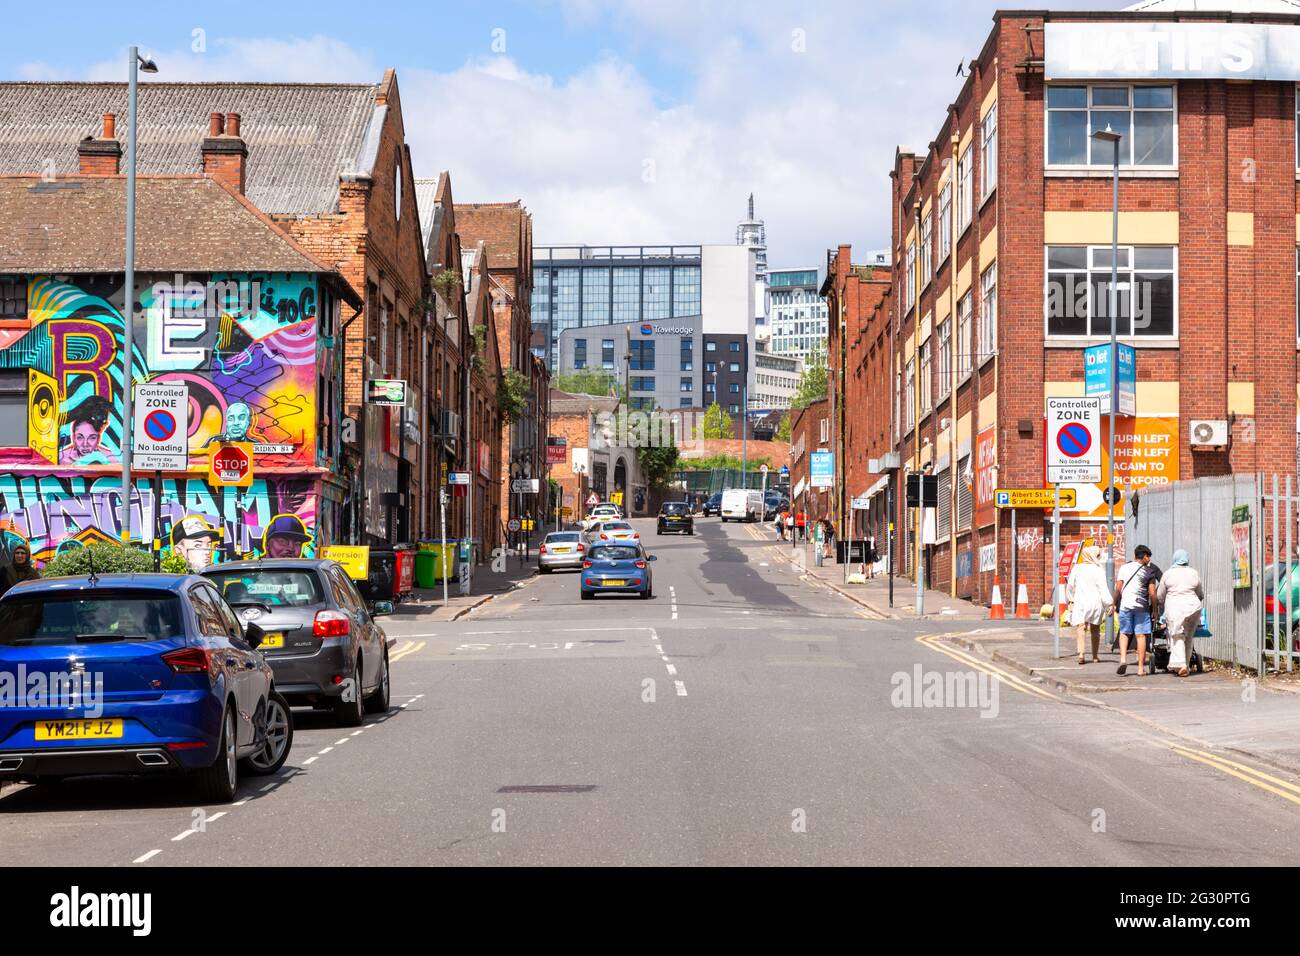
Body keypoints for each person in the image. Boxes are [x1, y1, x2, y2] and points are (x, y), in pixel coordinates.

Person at [1114, 544, 1162, 676]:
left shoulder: (1124, 568)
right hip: (1142, 608)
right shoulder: (1149, 571)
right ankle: (1140, 669)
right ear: (1145, 556)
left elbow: (1118, 589)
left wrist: (1113, 604)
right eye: (1149, 557)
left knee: (1125, 633)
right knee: (1141, 636)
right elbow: (1152, 593)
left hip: (1125, 606)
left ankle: (1123, 660)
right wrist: (1155, 610)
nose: (1150, 560)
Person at [1157, 550, 1204, 678]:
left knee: (1177, 635)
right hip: (1194, 608)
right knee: (1188, 637)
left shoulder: (1168, 574)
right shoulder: (1194, 573)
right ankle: (1186, 666)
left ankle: (1181, 664)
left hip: (1175, 609)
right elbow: (1200, 593)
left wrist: (1161, 605)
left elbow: (1160, 596)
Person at [1066, 545, 1113, 665]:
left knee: (1081, 628)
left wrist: (1070, 599)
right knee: (1095, 629)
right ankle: (1095, 656)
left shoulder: (1077, 568)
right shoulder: (1098, 569)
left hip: (1081, 601)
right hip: (1095, 602)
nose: (1099, 557)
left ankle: (1081, 654)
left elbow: (1070, 586)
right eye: (1098, 555)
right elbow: (1103, 589)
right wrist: (1109, 604)